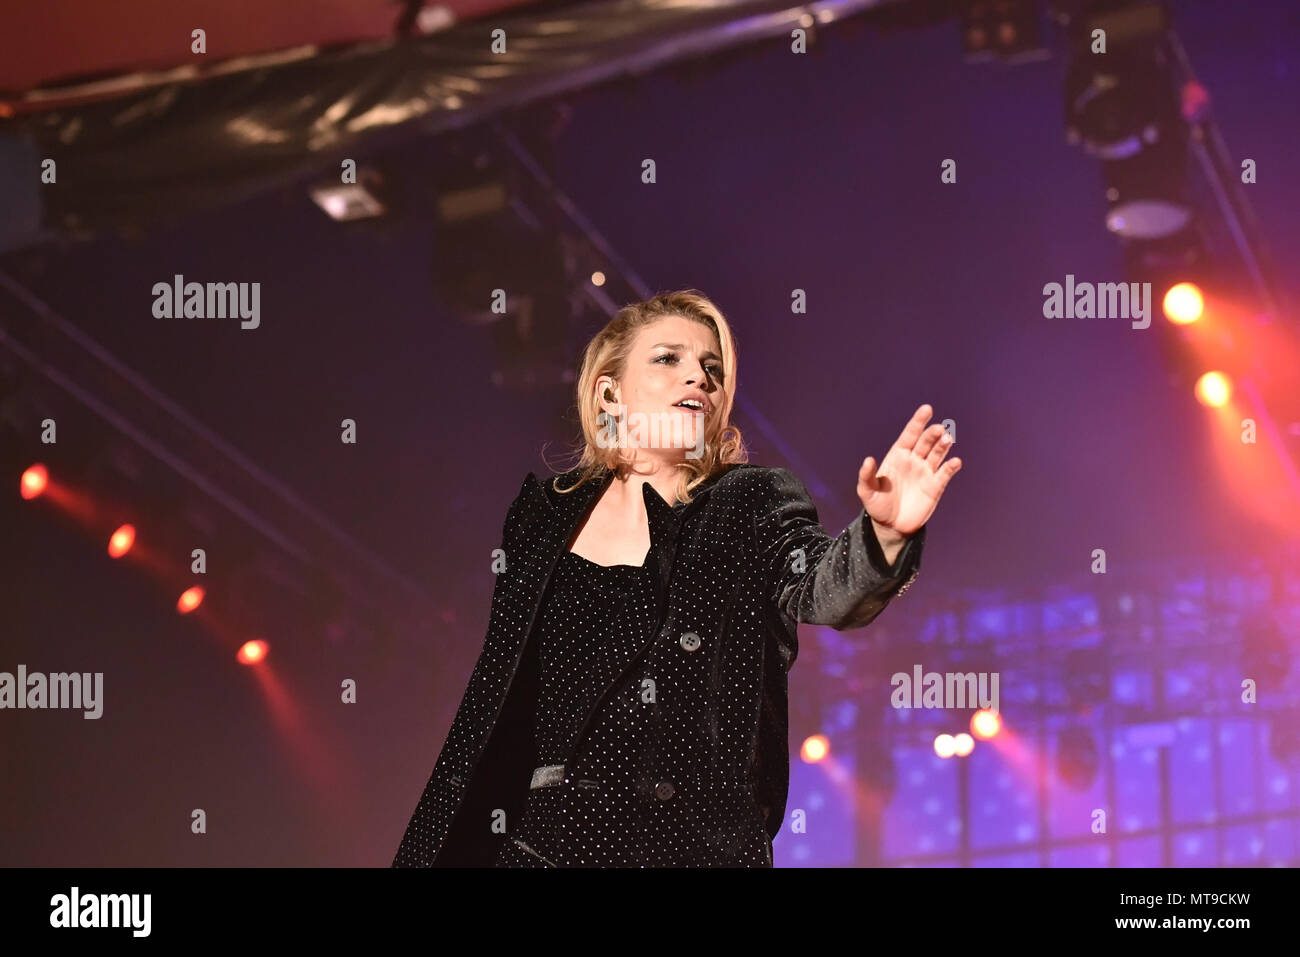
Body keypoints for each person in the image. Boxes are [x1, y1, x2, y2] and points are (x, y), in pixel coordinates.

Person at [392, 289, 961, 867]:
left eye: (711, 369)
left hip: (693, 849)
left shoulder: (750, 502)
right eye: (669, 359)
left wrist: (884, 535)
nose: (699, 378)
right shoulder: (540, 520)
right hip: (545, 847)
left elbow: (825, 588)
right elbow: (505, 704)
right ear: (610, 392)